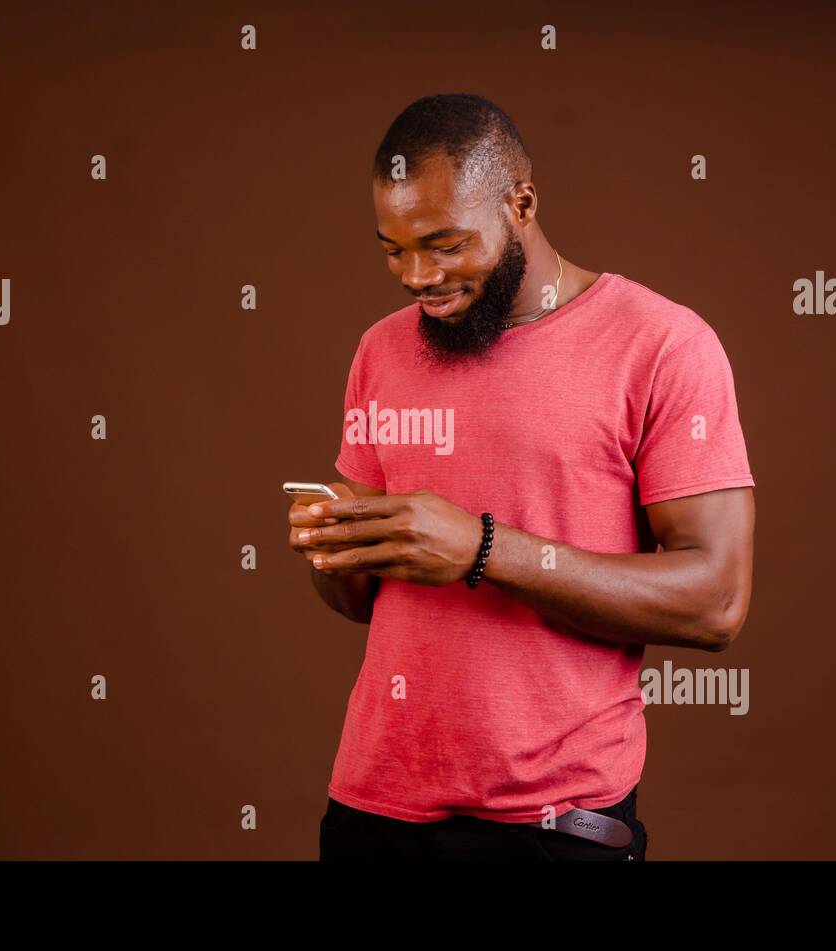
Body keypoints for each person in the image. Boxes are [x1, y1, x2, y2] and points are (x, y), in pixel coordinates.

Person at [287, 93, 756, 861]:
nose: (416, 275)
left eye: (443, 244)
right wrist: (331, 548)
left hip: (556, 824)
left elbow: (718, 602)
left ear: (522, 203)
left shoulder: (663, 345)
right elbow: (360, 601)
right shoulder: (380, 350)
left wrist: (480, 549)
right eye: (393, 249)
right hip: (375, 811)